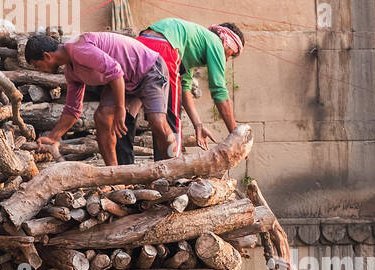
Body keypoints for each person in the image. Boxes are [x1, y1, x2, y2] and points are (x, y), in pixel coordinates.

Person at [25, 31, 175, 165]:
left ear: (47, 56)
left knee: (157, 121)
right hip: (123, 80)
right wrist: (53, 137)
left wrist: (120, 109)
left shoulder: (78, 49)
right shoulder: (71, 71)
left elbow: (115, 71)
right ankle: (115, 176)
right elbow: (72, 110)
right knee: (102, 117)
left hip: (148, 69)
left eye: (38, 66)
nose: (41, 70)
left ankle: (175, 166)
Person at [115, 19, 244, 163]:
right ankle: (171, 167)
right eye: (231, 54)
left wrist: (198, 125)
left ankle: (124, 165)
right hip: (163, 47)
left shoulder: (190, 47)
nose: (226, 59)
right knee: (171, 116)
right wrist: (236, 135)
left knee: (131, 108)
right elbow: (219, 91)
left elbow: (185, 89)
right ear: (227, 42)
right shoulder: (215, 42)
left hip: (141, 43)